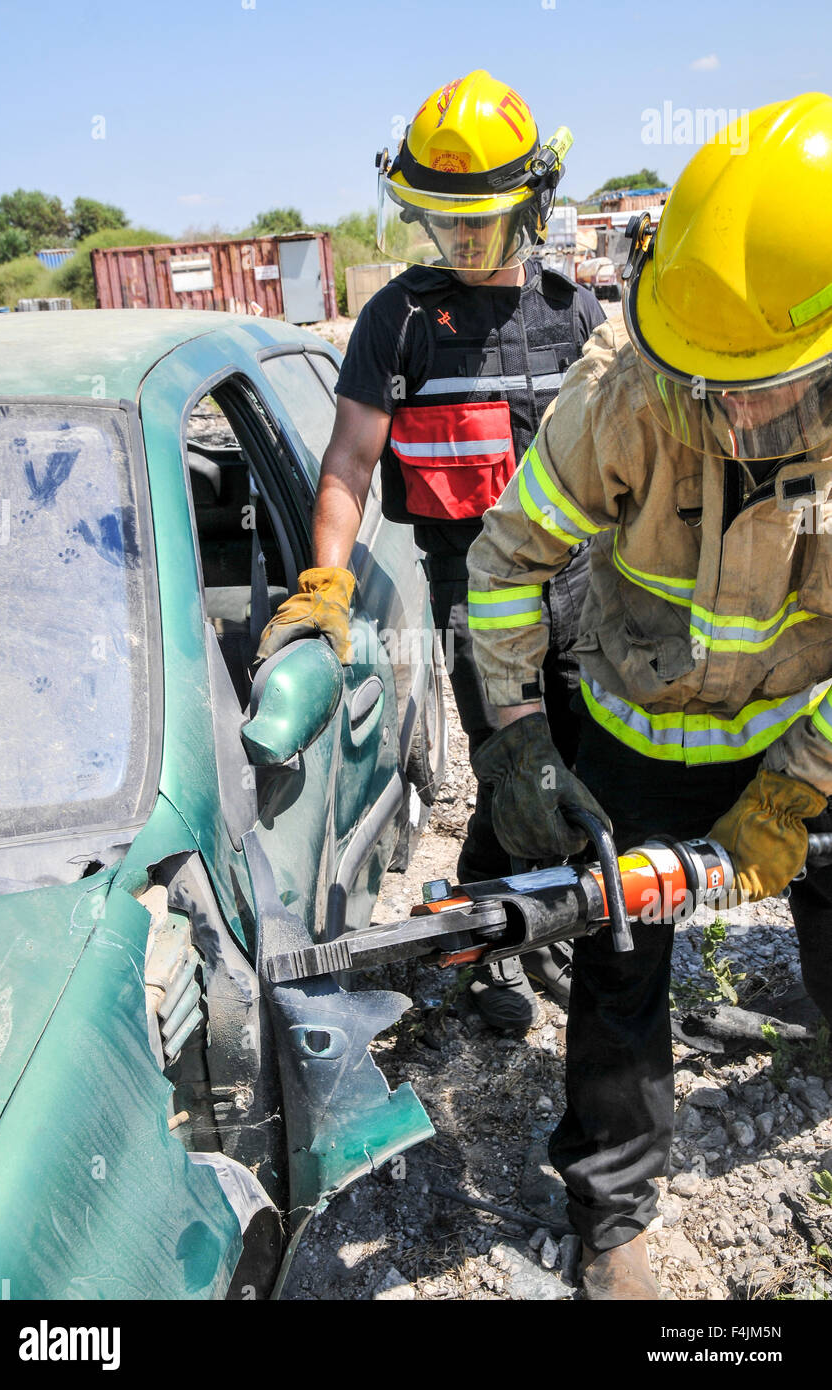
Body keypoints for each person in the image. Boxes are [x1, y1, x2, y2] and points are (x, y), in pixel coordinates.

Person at [466, 91, 832, 1298]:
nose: (726, 418)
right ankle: (610, 1206)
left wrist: (792, 793)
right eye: (708, 385)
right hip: (636, 729)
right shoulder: (630, 395)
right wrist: (520, 737)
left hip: (802, 728)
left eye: (764, 392)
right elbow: (506, 562)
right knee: (622, 951)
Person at [258, 69, 604, 1032]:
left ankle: (562, 913)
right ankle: (490, 930)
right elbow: (349, 463)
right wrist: (324, 583)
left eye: (479, 223)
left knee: (580, 762)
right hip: (472, 599)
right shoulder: (399, 321)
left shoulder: (575, 314)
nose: (459, 243)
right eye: (441, 222)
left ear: (531, 203)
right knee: (510, 764)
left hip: (586, 590)